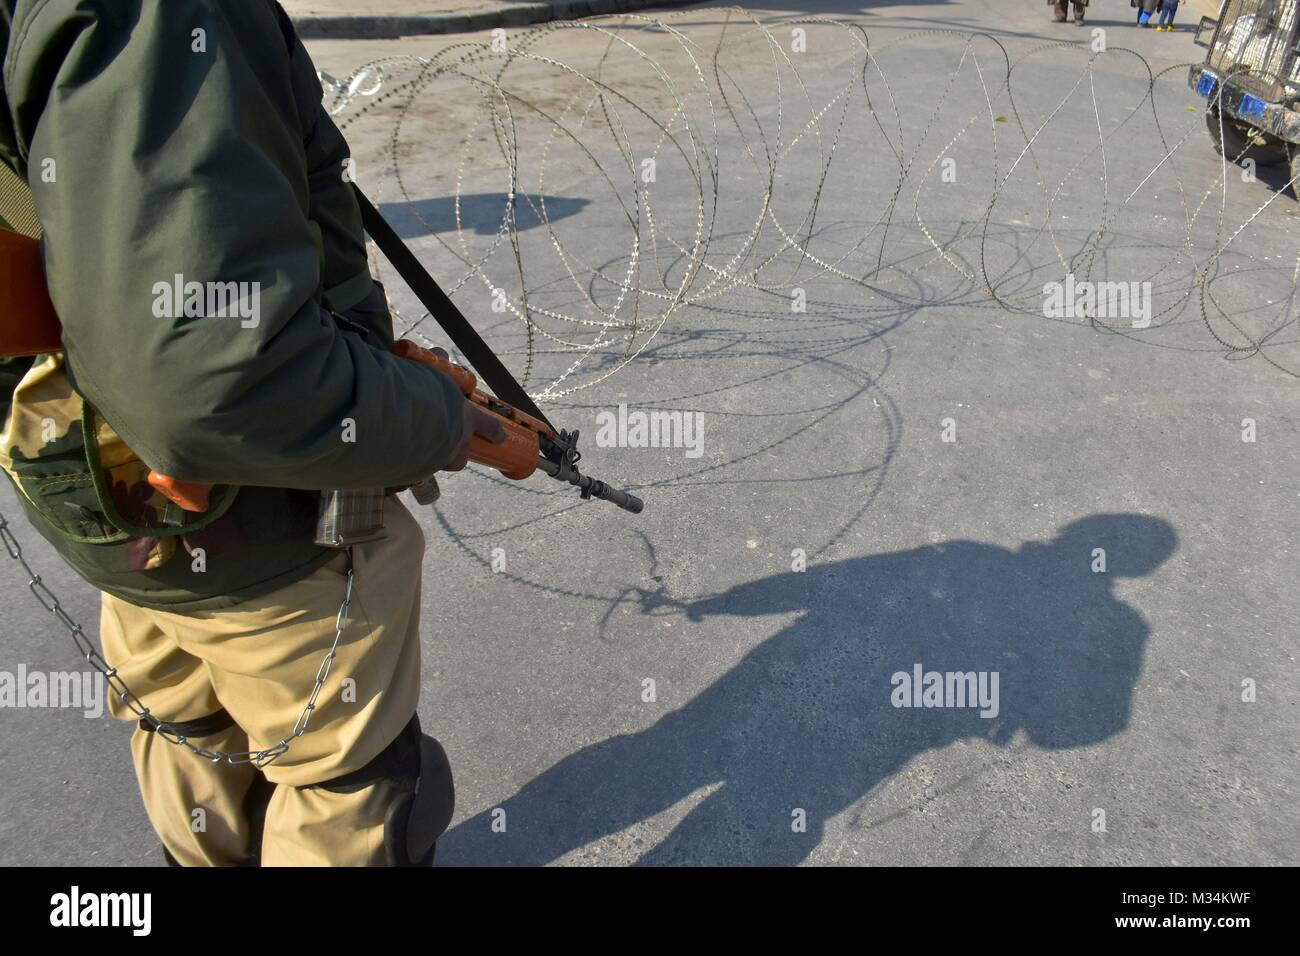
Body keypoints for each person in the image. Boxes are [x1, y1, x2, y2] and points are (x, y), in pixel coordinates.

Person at [0, 0, 505, 866]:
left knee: (190, 733)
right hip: (251, 517)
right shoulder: (161, 16)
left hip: (93, 476)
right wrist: (437, 422)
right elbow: (209, 381)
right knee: (347, 785)